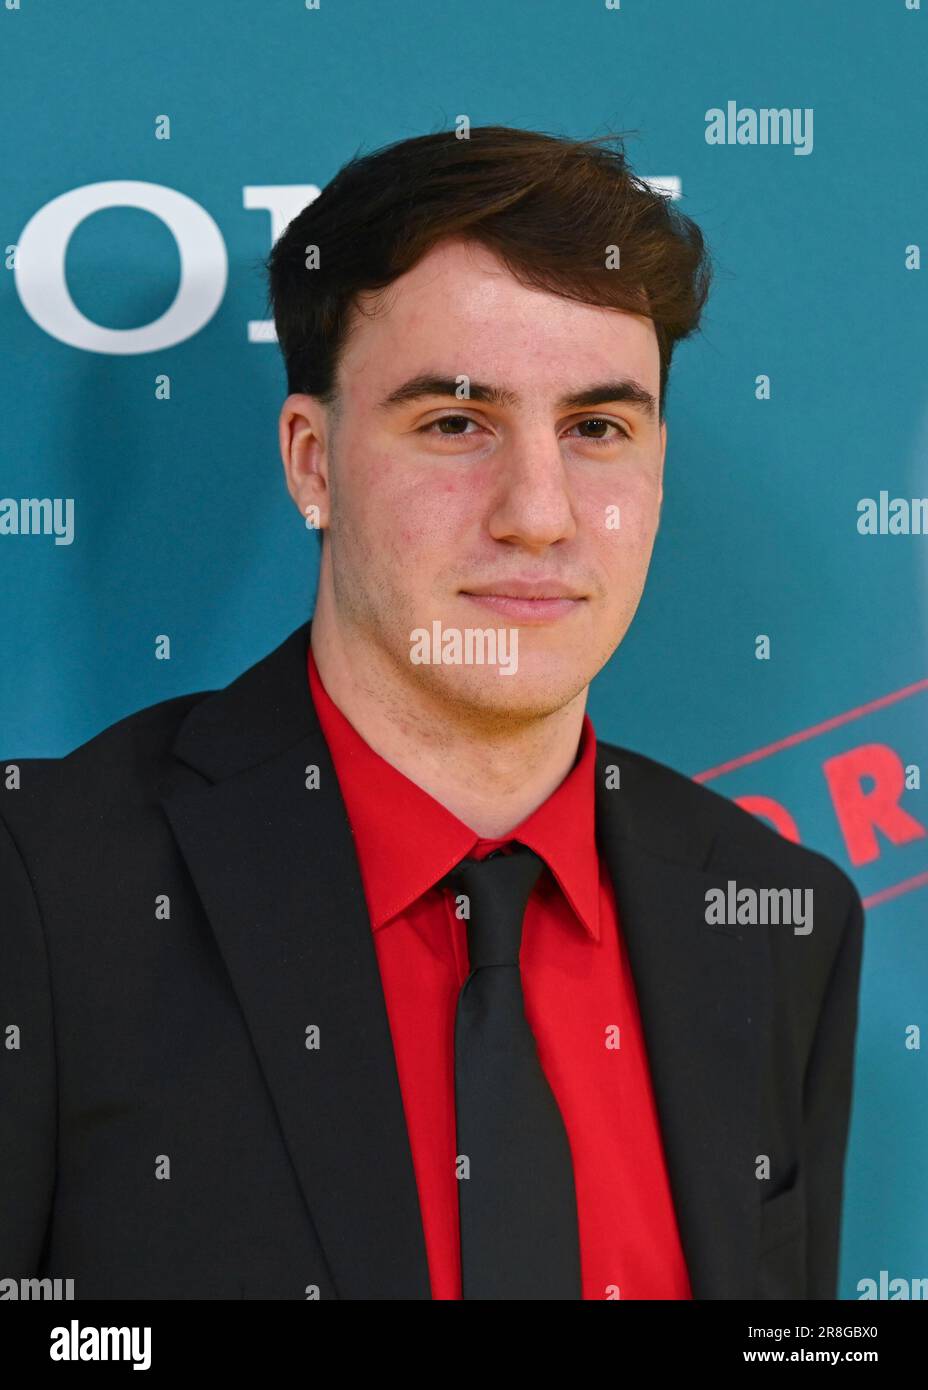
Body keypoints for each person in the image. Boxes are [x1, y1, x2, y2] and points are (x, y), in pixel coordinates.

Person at [0, 126, 863, 1300]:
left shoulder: (775, 915)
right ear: (311, 460)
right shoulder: (46, 889)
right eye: (456, 422)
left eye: (598, 428)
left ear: (656, 465)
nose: (538, 514)